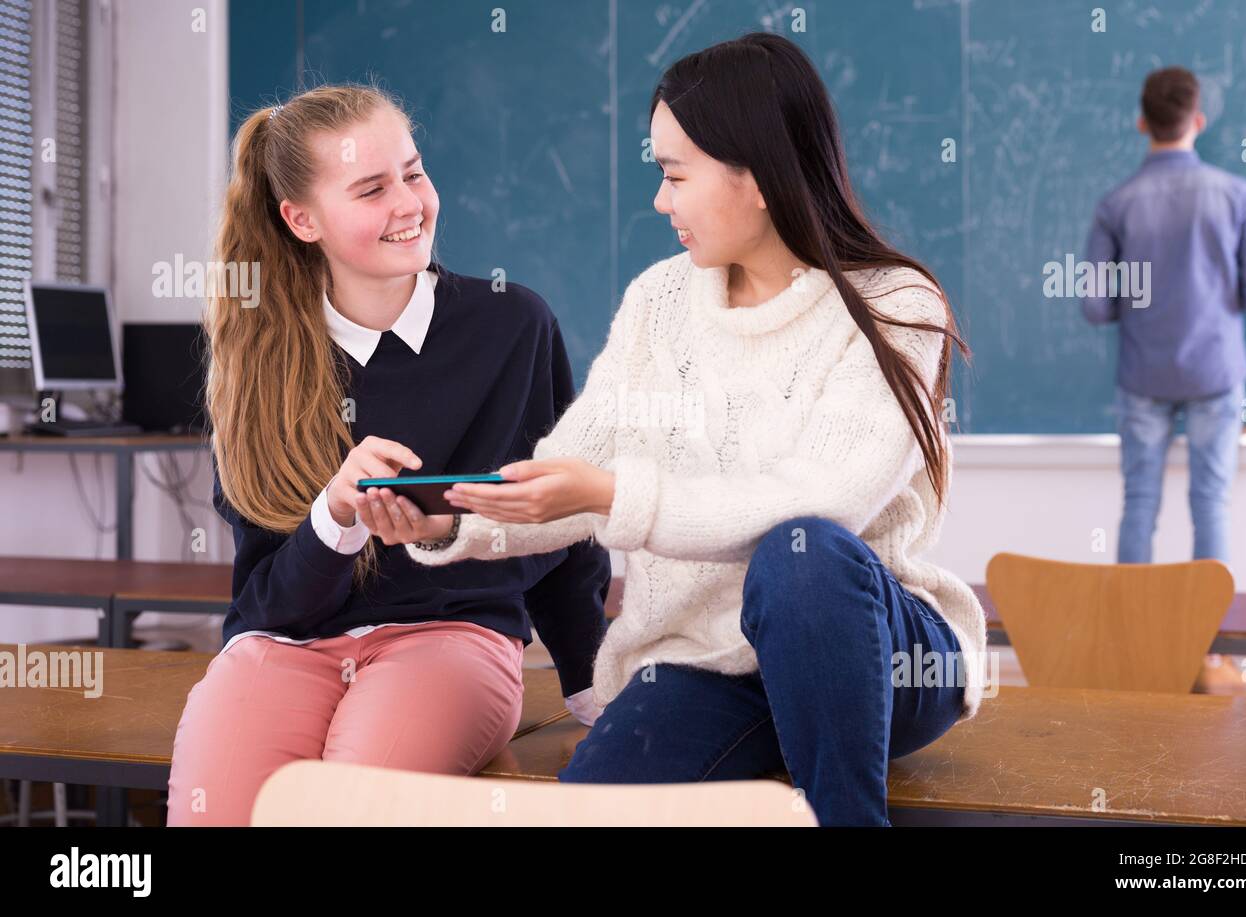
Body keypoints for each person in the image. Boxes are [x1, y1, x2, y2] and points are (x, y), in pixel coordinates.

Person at [378, 34, 989, 827]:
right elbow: (576, 465)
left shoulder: (896, 307)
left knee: (799, 555)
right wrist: (458, 517)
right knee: (592, 810)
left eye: (674, 174)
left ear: (760, 175)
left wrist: (615, 494)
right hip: (708, 661)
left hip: (879, 652)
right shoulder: (662, 300)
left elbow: (825, 502)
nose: (661, 200)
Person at [167, 85, 610, 826]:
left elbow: (561, 532)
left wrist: (593, 682)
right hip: (286, 645)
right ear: (302, 219)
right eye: (372, 188)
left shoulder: (512, 324)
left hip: (451, 638)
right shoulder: (257, 358)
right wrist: (335, 517)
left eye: (413, 171)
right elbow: (267, 600)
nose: (409, 202)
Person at [1084, 66, 1246, 565]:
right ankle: (1211, 642)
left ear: (1141, 124)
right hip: (1216, 371)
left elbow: (1095, 306)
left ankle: (1132, 639)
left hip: (1143, 375)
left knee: (1140, 505)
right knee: (1211, 504)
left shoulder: (1115, 205)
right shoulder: (1237, 196)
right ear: (1199, 120)